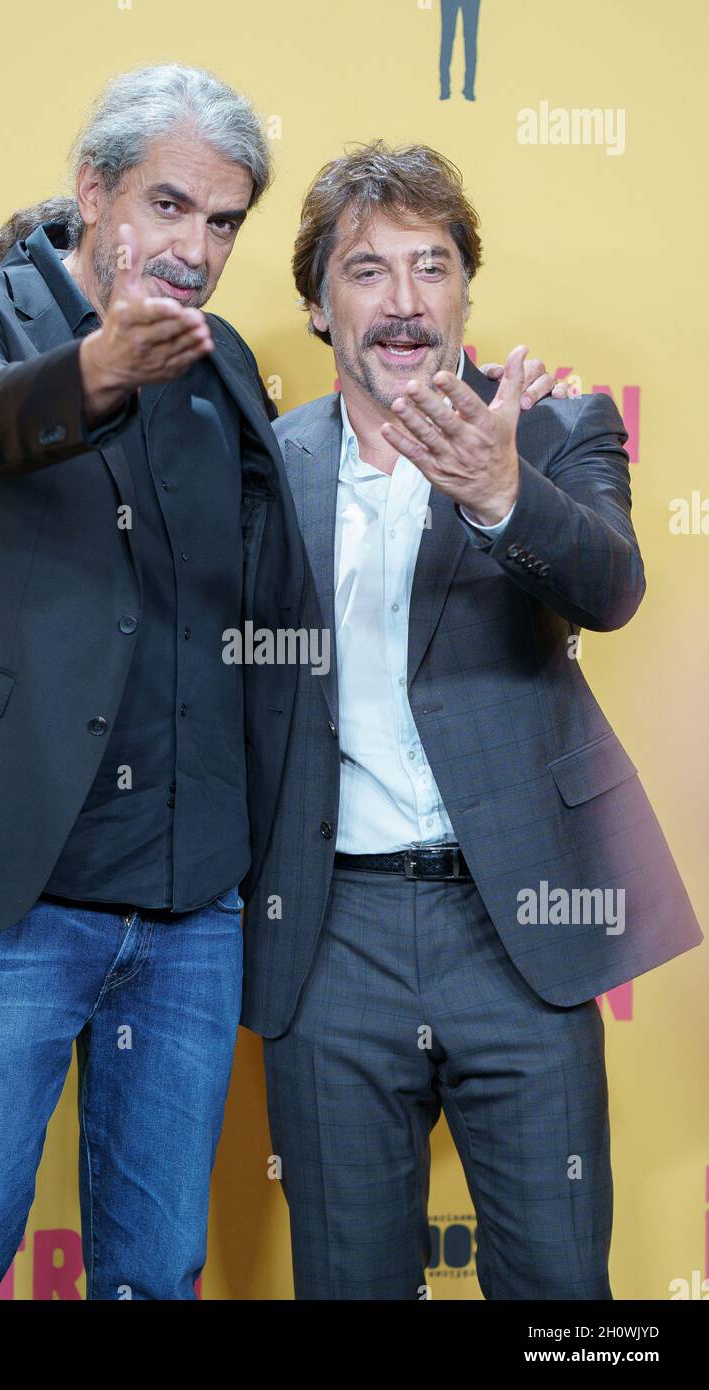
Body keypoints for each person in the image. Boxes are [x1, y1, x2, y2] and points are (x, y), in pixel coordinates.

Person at [0, 107, 559, 1299]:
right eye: (169, 205)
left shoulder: (224, 361)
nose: (196, 244)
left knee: (157, 1271)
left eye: (225, 219)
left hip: (188, 914)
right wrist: (102, 366)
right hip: (3, 899)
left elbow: (270, 587)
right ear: (91, 186)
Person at [238, 142, 704, 1299]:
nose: (403, 301)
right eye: (366, 270)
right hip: (328, 933)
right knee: (347, 1281)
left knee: (559, 1293)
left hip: (520, 927)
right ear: (314, 301)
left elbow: (609, 587)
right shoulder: (258, 469)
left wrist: (499, 492)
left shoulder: (550, 428)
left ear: (463, 292)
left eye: (431, 267)